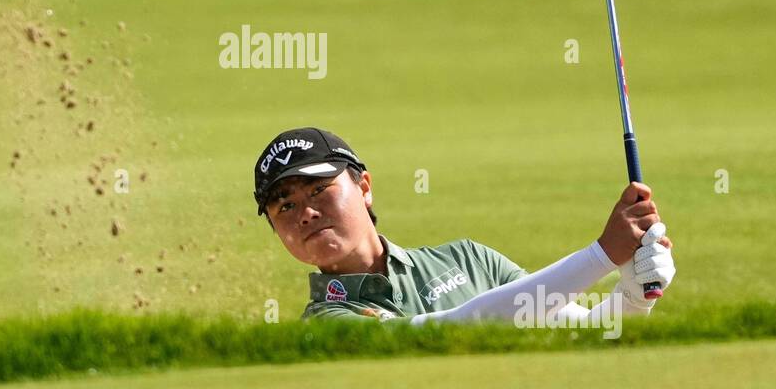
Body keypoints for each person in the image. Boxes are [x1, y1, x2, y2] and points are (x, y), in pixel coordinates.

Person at [253, 127, 677, 325]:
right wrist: (601, 256)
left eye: (318, 190)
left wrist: (633, 300)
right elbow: (445, 330)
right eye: (284, 206)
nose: (304, 213)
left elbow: (589, 330)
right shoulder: (327, 321)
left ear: (364, 186)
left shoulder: (469, 259)